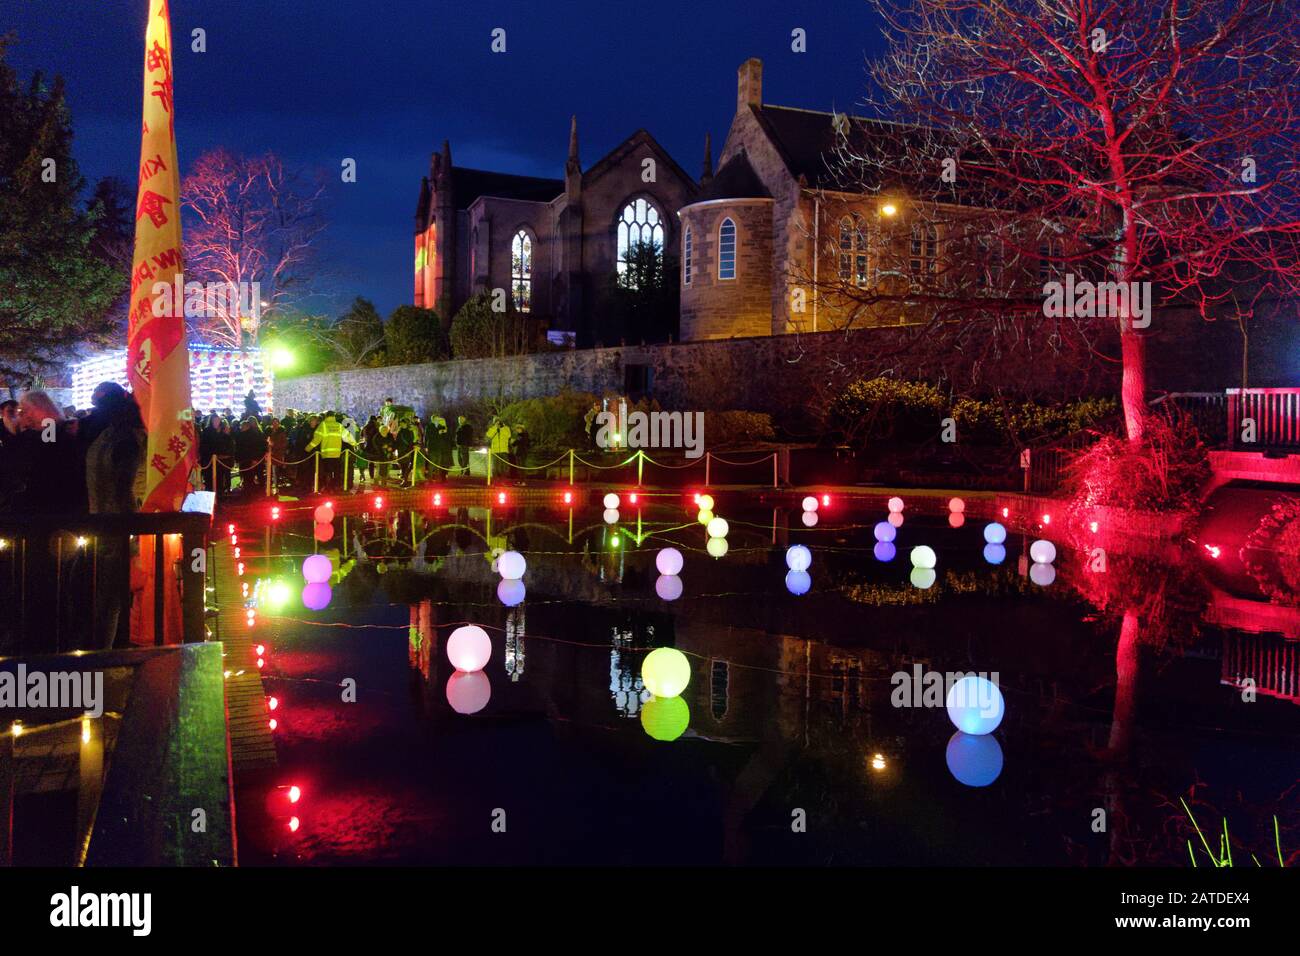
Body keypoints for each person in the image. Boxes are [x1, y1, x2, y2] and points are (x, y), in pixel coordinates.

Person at [84, 384, 146, 649]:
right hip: (102, 523)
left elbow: (124, 487)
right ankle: (105, 650)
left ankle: (106, 653)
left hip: (115, 526)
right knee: (106, 595)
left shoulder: (125, 438)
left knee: (111, 597)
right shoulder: (109, 434)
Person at [305, 411, 357, 491]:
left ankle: (328, 488)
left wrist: (308, 448)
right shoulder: (339, 426)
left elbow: (317, 439)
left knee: (327, 472)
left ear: (326, 416)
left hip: (326, 454)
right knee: (336, 472)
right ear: (334, 416)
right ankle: (336, 487)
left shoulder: (323, 425)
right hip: (337, 453)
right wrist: (354, 443)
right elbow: (347, 436)